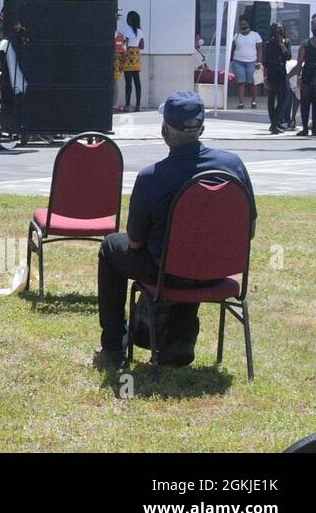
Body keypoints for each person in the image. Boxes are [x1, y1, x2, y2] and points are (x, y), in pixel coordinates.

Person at [92, 91, 254, 369]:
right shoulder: (233, 165)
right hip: (218, 272)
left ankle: (113, 347)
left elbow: (134, 243)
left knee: (110, 247)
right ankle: (174, 338)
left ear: (164, 130)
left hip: (170, 275)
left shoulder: (151, 177)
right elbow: (248, 230)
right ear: (201, 128)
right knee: (187, 255)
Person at [294, 13, 316, 137]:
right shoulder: (305, 43)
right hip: (307, 75)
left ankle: (315, 128)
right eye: (314, 26)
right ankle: (305, 128)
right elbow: (300, 62)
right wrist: (298, 77)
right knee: (305, 103)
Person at [262, 23, 291, 134]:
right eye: (277, 31)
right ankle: (273, 124)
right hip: (272, 73)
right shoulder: (269, 44)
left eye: (281, 30)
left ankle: (276, 122)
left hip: (281, 72)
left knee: (282, 99)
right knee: (271, 99)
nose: (279, 33)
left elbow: (288, 57)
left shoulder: (286, 43)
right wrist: (265, 77)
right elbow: (265, 62)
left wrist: (281, 44)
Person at [229, 16, 262, 110]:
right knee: (241, 82)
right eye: (241, 24)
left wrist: (259, 62)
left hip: (252, 62)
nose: (243, 25)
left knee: (253, 83)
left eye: (244, 23)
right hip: (238, 62)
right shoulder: (236, 35)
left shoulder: (255, 35)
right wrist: (231, 59)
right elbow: (232, 48)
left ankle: (254, 101)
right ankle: (241, 102)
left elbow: (259, 49)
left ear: (248, 24)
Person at [120, 10, 145, 112]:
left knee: (128, 82)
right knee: (137, 81)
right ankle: (138, 105)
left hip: (128, 57)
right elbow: (142, 46)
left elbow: (124, 47)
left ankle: (127, 105)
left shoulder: (127, 31)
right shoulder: (140, 31)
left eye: (128, 18)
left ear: (130, 20)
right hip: (136, 57)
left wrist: (122, 60)